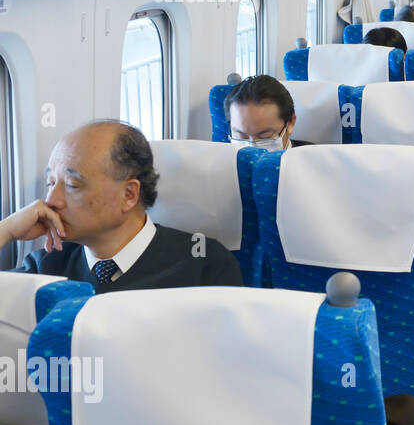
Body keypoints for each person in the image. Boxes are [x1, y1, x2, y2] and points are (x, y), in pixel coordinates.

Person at [2, 121, 243, 290]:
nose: (51, 200)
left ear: (128, 195)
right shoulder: (46, 266)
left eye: (72, 185)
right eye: (50, 182)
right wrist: (7, 230)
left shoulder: (203, 263)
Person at [226, 74, 308, 149]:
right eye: (242, 136)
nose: (252, 149)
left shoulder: (316, 159)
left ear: (290, 123)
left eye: (265, 136)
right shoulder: (218, 162)